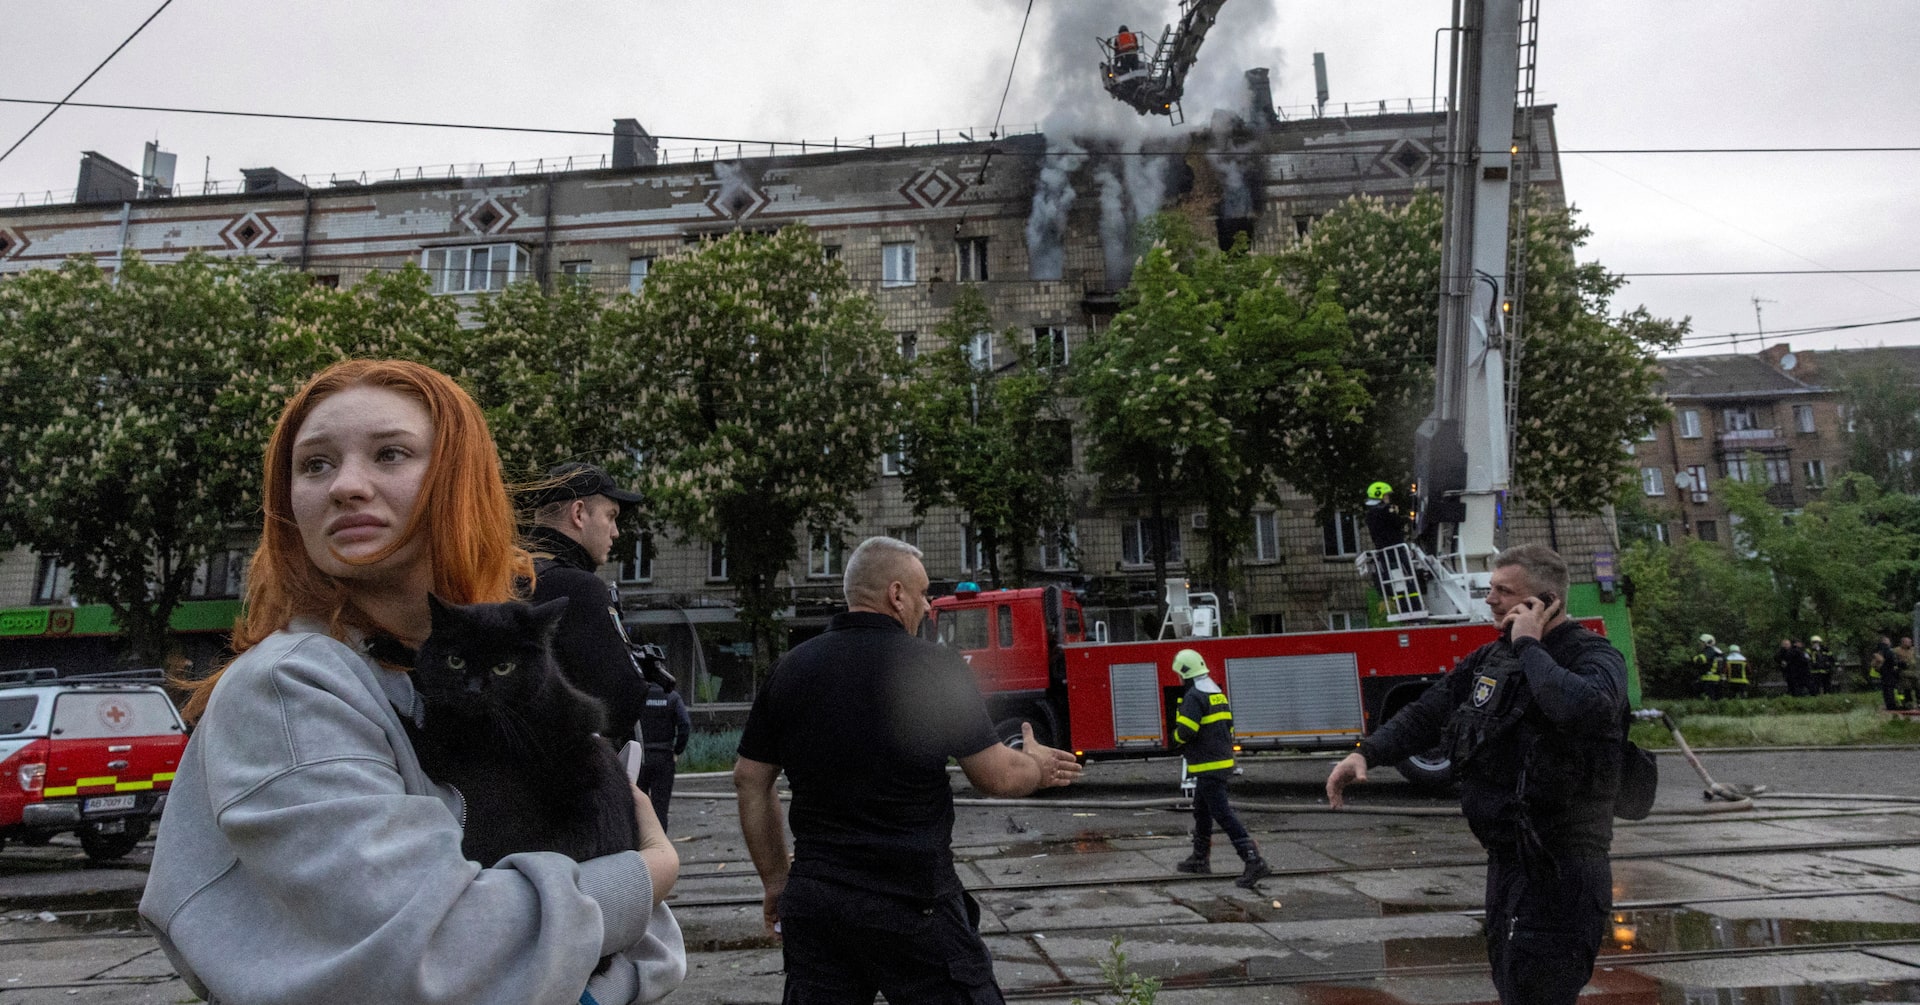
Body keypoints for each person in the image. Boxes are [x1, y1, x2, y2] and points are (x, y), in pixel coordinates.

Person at [139, 360, 684, 1005]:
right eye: (314, 465)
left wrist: (605, 962)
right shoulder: (291, 684)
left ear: (459, 483)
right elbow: (438, 958)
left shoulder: (440, 666)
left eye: (389, 454)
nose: (346, 486)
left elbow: (648, 953)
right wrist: (645, 876)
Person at [733, 535, 1083, 1004]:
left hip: (819, 903)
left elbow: (750, 781)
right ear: (896, 595)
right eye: (922, 594)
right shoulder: (932, 667)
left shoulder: (791, 669)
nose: (927, 605)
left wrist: (777, 881)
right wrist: (1038, 768)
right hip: (914, 903)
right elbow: (996, 775)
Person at [1325, 543, 1628, 1005]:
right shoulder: (1492, 658)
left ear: (1544, 601)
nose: (1489, 600)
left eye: (1503, 592)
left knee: (1538, 990)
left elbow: (1583, 708)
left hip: (1562, 867)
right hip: (1507, 861)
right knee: (1512, 984)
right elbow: (1431, 709)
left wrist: (1529, 643)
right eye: (1490, 590)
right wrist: (1367, 754)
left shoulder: (1592, 655)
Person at [524, 461, 650, 746]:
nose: (615, 532)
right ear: (579, 513)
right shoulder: (578, 587)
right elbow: (620, 702)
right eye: (611, 516)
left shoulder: (501, 573)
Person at [1170, 648, 1271, 888]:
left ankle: (1253, 859)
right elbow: (1229, 727)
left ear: (1185, 673)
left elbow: (1186, 731)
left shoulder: (1195, 697)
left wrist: (1174, 738)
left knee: (1222, 813)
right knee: (1202, 811)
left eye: (1178, 674)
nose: (1178, 679)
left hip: (1208, 765)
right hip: (1220, 761)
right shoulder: (1216, 692)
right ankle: (1200, 858)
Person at [637, 674, 691, 830]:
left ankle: (639, 845)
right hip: (664, 758)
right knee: (660, 807)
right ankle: (660, 846)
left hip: (640, 756)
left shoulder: (637, 697)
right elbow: (685, 725)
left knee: (638, 806)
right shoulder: (672, 697)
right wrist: (677, 750)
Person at [1363, 480, 1409, 552]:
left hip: (1383, 551)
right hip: (1395, 551)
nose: (1388, 498)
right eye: (1386, 495)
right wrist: (1405, 518)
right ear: (1379, 494)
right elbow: (1397, 523)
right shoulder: (1386, 510)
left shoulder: (1371, 512)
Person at [1693, 633, 1724, 700]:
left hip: (1708, 679)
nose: (1700, 644)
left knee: (1707, 700)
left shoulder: (1709, 650)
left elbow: (1700, 660)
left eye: (1702, 642)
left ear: (1707, 642)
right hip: (1717, 679)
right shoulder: (1719, 652)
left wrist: (1695, 658)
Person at [1874, 634, 1899, 711]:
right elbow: (1893, 662)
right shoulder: (1888, 651)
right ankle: (1892, 706)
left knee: (1886, 690)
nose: (1890, 642)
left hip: (1882, 673)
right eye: (1888, 641)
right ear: (1885, 642)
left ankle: (1889, 705)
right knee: (1890, 690)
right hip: (1889, 672)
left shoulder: (1879, 650)